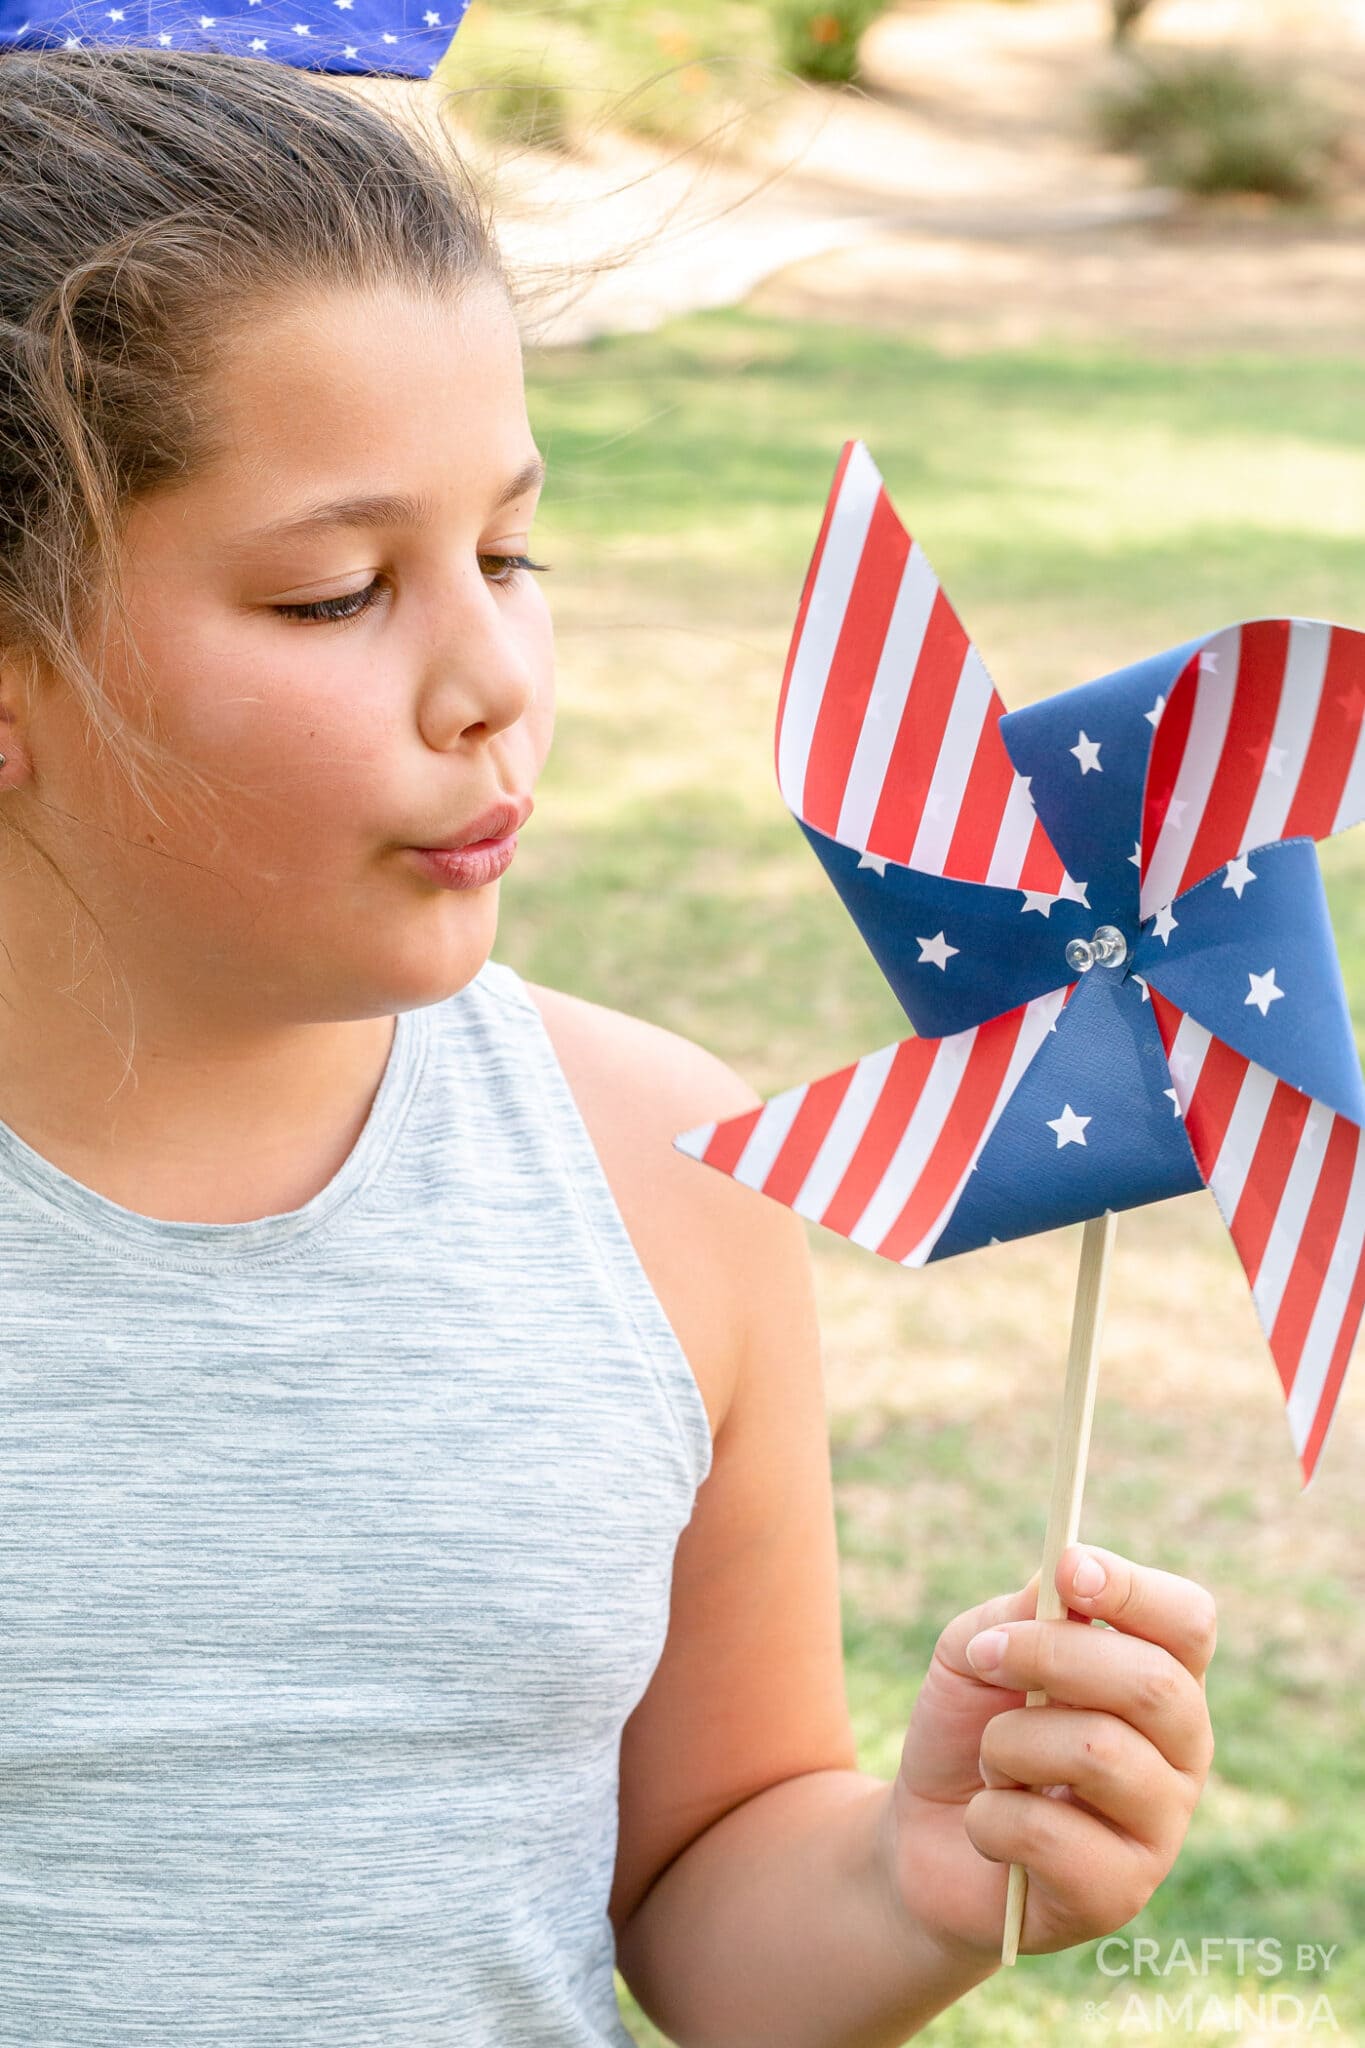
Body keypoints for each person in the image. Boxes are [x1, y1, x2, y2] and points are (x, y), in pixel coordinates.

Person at [0, 44, 1217, 2048]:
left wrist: (914, 1869)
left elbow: (700, 1889)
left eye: (509, 553)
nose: (490, 677)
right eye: (333, 594)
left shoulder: (663, 1177)